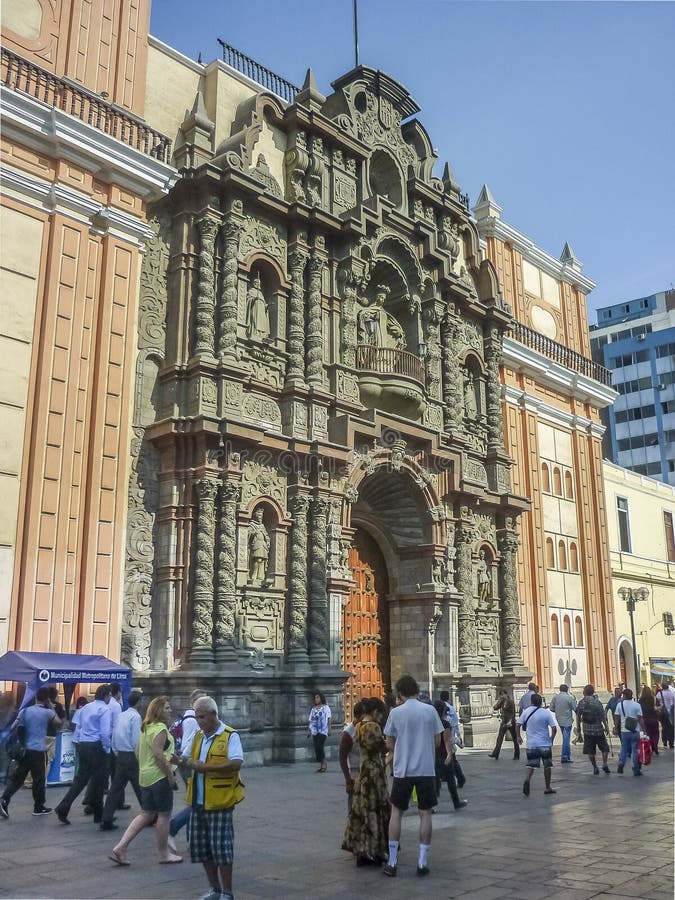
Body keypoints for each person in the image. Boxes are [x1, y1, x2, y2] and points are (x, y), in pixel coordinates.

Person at [182, 695, 244, 900]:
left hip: (220, 801)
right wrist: (178, 760)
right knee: (201, 847)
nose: (198, 721)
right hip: (197, 800)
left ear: (213, 714)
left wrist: (205, 767)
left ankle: (227, 892)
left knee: (222, 849)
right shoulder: (199, 736)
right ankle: (214, 888)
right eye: (197, 717)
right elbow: (190, 758)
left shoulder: (230, 735)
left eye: (202, 717)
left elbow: (236, 763)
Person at [382, 674, 444, 878]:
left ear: (399, 693)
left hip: (403, 771)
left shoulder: (396, 713)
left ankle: (392, 861)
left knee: (396, 813)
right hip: (426, 770)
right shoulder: (430, 711)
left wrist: (403, 747)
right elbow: (437, 742)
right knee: (425, 813)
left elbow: (389, 744)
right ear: (417, 691)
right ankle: (422, 861)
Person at [109, 695, 181, 865]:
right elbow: (158, 754)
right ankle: (164, 854)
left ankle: (121, 846)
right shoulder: (161, 729)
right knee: (164, 815)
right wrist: (170, 776)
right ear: (158, 710)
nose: (170, 711)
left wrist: (174, 759)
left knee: (147, 814)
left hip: (145, 776)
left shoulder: (146, 727)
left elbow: (138, 753)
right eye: (167, 708)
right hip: (159, 777)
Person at [342, 697, 390, 867]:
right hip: (374, 773)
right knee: (376, 810)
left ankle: (362, 852)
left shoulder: (359, 726)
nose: (382, 718)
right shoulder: (373, 727)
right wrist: (390, 743)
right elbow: (382, 748)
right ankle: (377, 851)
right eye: (381, 714)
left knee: (362, 812)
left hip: (363, 772)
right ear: (375, 712)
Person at [0, 687, 62, 818]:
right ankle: (38, 807)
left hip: (25, 750)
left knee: (18, 778)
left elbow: (13, 727)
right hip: (38, 750)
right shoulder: (47, 713)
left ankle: (4, 799)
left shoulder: (25, 711)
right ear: (46, 699)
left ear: (35, 697)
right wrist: (51, 707)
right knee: (39, 780)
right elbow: (58, 723)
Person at [55, 684, 112, 825]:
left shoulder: (86, 707)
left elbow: (79, 726)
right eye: (109, 695)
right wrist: (107, 748)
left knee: (81, 779)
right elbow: (105, 733)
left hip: (84, 744)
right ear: (106, 696)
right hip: (97, 745)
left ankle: (64, 806)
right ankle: (99, 815)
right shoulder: (105, 709)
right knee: (99, 780)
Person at [168, 687, 209, 852]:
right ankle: (173, 827)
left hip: (189, 762)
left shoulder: (194, 718)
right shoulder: (193, 720)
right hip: (189, 763)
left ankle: (193, 838)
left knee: (199, 801)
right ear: (194, 704)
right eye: (202, 702)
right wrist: (185, 760)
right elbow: (188, 743)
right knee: (198, 802)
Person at [99, 690, 144, 830]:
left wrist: (116, 750)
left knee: (115, 788)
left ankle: (106, 817)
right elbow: (136, 739)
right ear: (139, 702)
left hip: (121, 754)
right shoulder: (135, 717)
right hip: (131, 754)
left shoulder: (122, 715)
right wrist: (139, 756)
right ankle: (149, 814)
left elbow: (114, 734)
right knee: (139, 786)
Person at [516, 692, 558, 796]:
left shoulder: (526, 712)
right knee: (547, 766)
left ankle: (527, 780)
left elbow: (518, 724)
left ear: (531, 701)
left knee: (531, 764)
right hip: (544, 744)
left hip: (532, 744)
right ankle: (547, 787)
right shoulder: (546, 712)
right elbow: (554, 728)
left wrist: (518, 736)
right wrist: (551, 739)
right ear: (541, 702)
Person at [433, 701, 468, 811]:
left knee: (434, 780)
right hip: (443, 754)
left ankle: (431, 805)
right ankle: (456, 802)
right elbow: (447, 740)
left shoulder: (430, 723)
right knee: (450, 780)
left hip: (433, 755)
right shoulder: (444, 723)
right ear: (443, 710)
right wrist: (449, 754)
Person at [575, 684, 611, 775]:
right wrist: (606, 726)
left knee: (590, 750)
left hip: (587, 730)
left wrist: (578, 727)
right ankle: (605, 763)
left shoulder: (581, 702)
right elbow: (602, 716)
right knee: (604, 748)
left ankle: (595, 767)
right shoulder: (597, 702)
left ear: (584, 692)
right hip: (598, 729)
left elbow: (578, 716)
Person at [339, 700, 365, 810]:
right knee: (354, 807)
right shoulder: (348, 733)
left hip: (366, 772)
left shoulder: (367, 728)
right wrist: (348, 779)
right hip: (355, 773)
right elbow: (342, 757)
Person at [614, 688, 646, 776]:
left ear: (624, 695)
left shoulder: (619, 705)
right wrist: (644, 729)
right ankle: (636, 768)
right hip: (635, 731)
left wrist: (616, 728)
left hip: (624, 730)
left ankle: (621, 763)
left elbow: (616, 717)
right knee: (635, 750)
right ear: (631, 695)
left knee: (624, 748)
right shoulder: (637, 705)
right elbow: (640, 719)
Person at [549, 684, 577, 764]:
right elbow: (575, 708)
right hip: (567, 720)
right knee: (566, 739)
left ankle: (566, 756)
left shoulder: (555, 697)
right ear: (567, 689)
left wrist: (557, 711)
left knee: (565, 738)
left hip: (559, 719)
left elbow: (551, 708)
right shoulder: (569, 698)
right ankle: (565, 757)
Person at [489, 688, 519, 760]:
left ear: (506, 694)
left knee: (514, 739)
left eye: (503, 695)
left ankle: (517, 754)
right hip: (504, 722)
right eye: (501, 695)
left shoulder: (511, 702)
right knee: (499, 738)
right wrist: (498, 702)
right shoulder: (502, 702)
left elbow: (513, 713)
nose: (502, 696)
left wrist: (510, 721)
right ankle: (496, 753)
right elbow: (495, 708)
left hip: (511, 722)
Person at [308, 692, 331, 773]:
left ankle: (324, 763)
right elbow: (311, 721)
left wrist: (329, 729)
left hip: (323, 730)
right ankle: (321, 765)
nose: (316, 699)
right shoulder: (313, 709)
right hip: (314, 731)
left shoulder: (326, 707)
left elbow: (328, 719)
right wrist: (309, 731)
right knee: (317, 748)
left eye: (318, 697)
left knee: (319, 746)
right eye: (315, 698)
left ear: (321, 698)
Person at [247, 507, 270, 584]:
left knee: (262, 561)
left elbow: (266, 535)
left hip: (263, 545)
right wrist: (254, 533)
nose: (260, 517)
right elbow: (248, 534)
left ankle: (261, 576)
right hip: (256, 544)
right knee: (257, 559)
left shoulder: (262, 526)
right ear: (255, 516)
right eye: (259, 516)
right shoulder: (252, 524)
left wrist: (267, 540)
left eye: (261, 516)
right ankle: (253, 575)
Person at [639, 686, 660, 755]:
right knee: (656, 733)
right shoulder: (653, 698)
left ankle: (651, 746)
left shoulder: (641, 700)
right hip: (654, 718)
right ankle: (655, 746)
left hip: (645, 719)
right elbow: (657, 707)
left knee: (649, 734)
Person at [655, 681, 674, 749]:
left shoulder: (659, 694)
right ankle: (671, 743)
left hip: (662, 713)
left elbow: (657, 704)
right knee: (671, 728)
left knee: (664, 728)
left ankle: (665, 743)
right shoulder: (672, 693)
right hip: (671, 713)